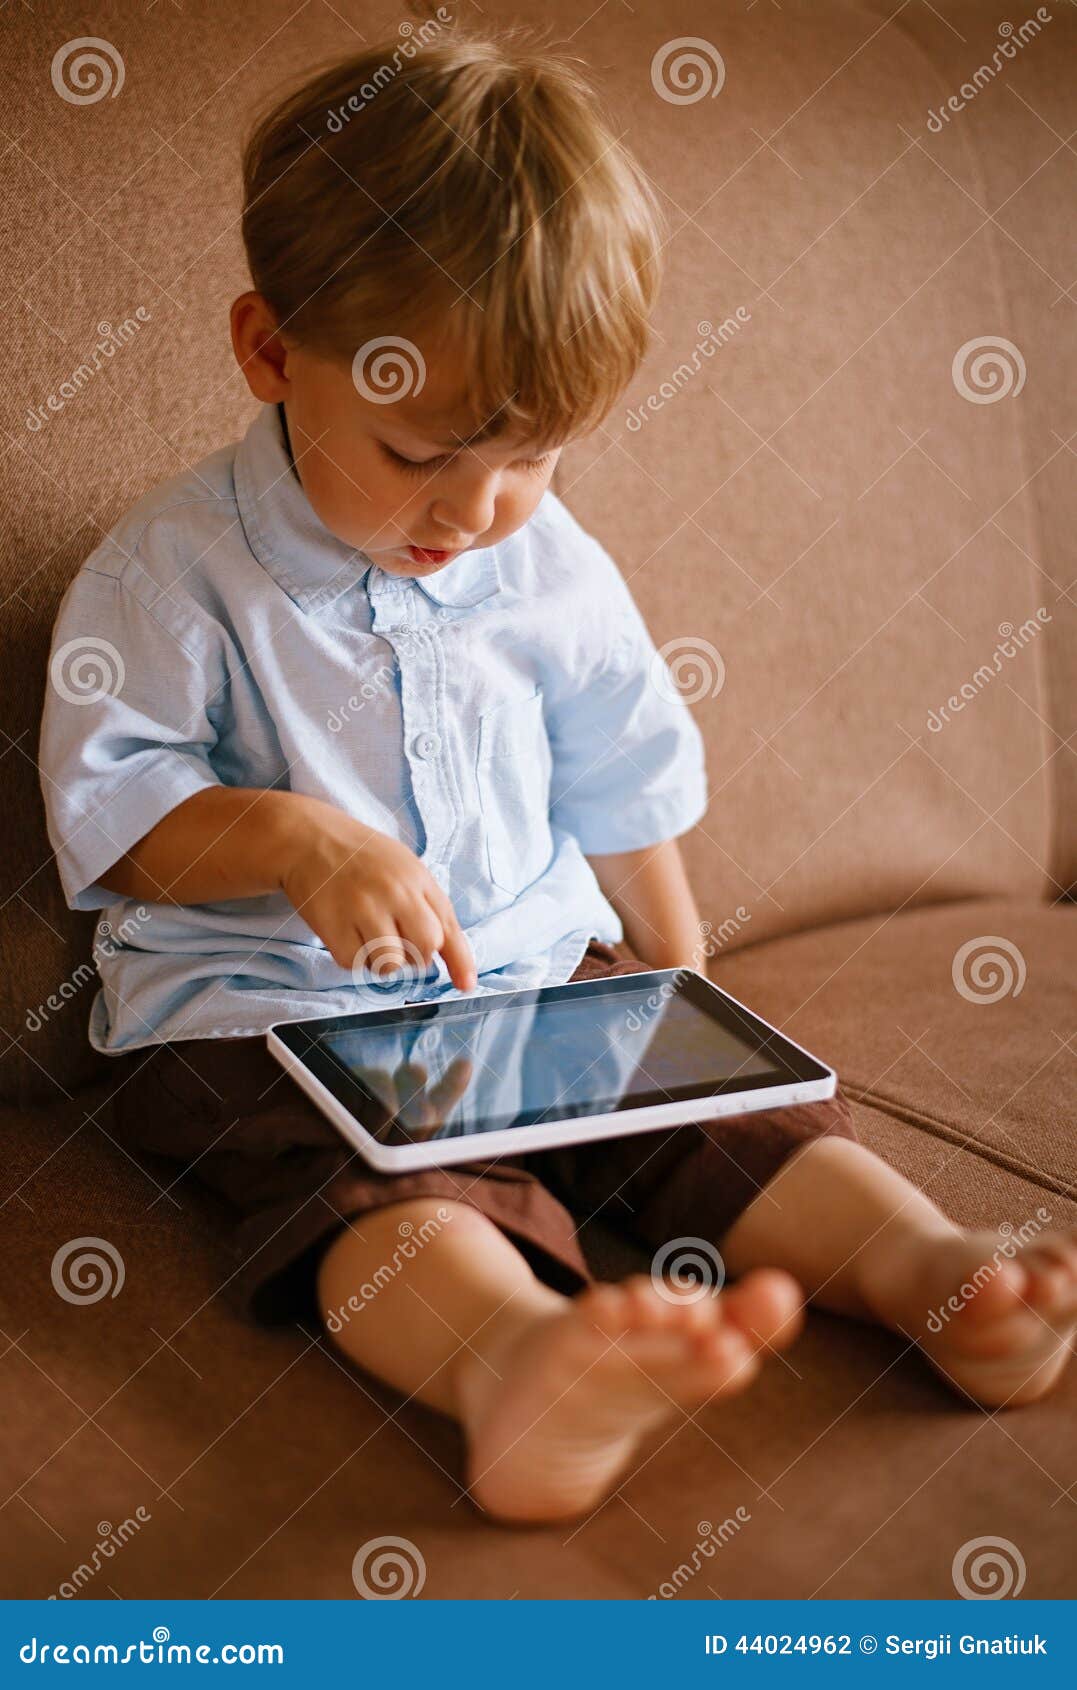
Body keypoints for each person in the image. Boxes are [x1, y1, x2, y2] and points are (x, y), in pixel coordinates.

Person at [39, 30, 1076, 1526]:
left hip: (533, 977)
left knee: (729, 1121)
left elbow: (620, 769)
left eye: (530, 459)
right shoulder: (171, 573)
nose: (474, 510)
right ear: (270, 350)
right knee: (386, 1195)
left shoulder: (542, 554)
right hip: (264, 1012)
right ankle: (516, 1359)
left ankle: (934, 1269)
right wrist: (294, 838)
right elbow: (116, 814)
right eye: (417, 450)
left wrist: (678, 984)